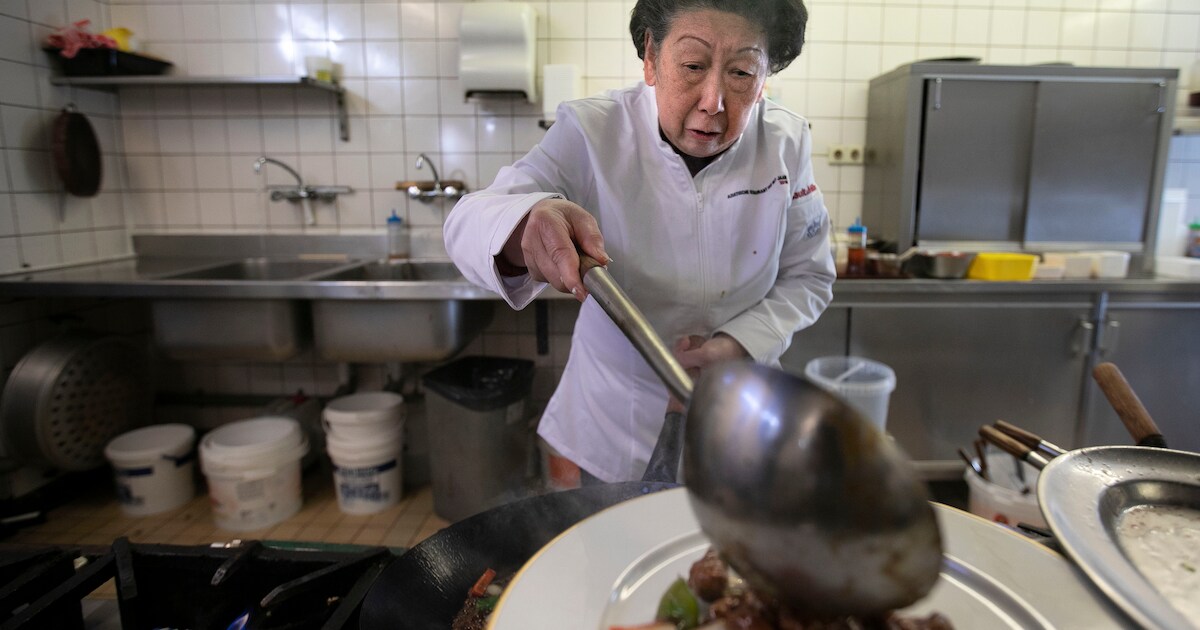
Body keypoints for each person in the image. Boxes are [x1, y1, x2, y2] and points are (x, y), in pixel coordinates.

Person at [445, 0, 834, 483]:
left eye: (741, 73)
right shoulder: (594, 132)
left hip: (740, 415)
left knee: (726, 552)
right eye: (693, 66)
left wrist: (739, 344)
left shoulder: (785, 143)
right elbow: (468, 221)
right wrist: (527, 221)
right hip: (618, 423)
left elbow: (810, 275)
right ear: (651, 57)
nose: (713, 100)